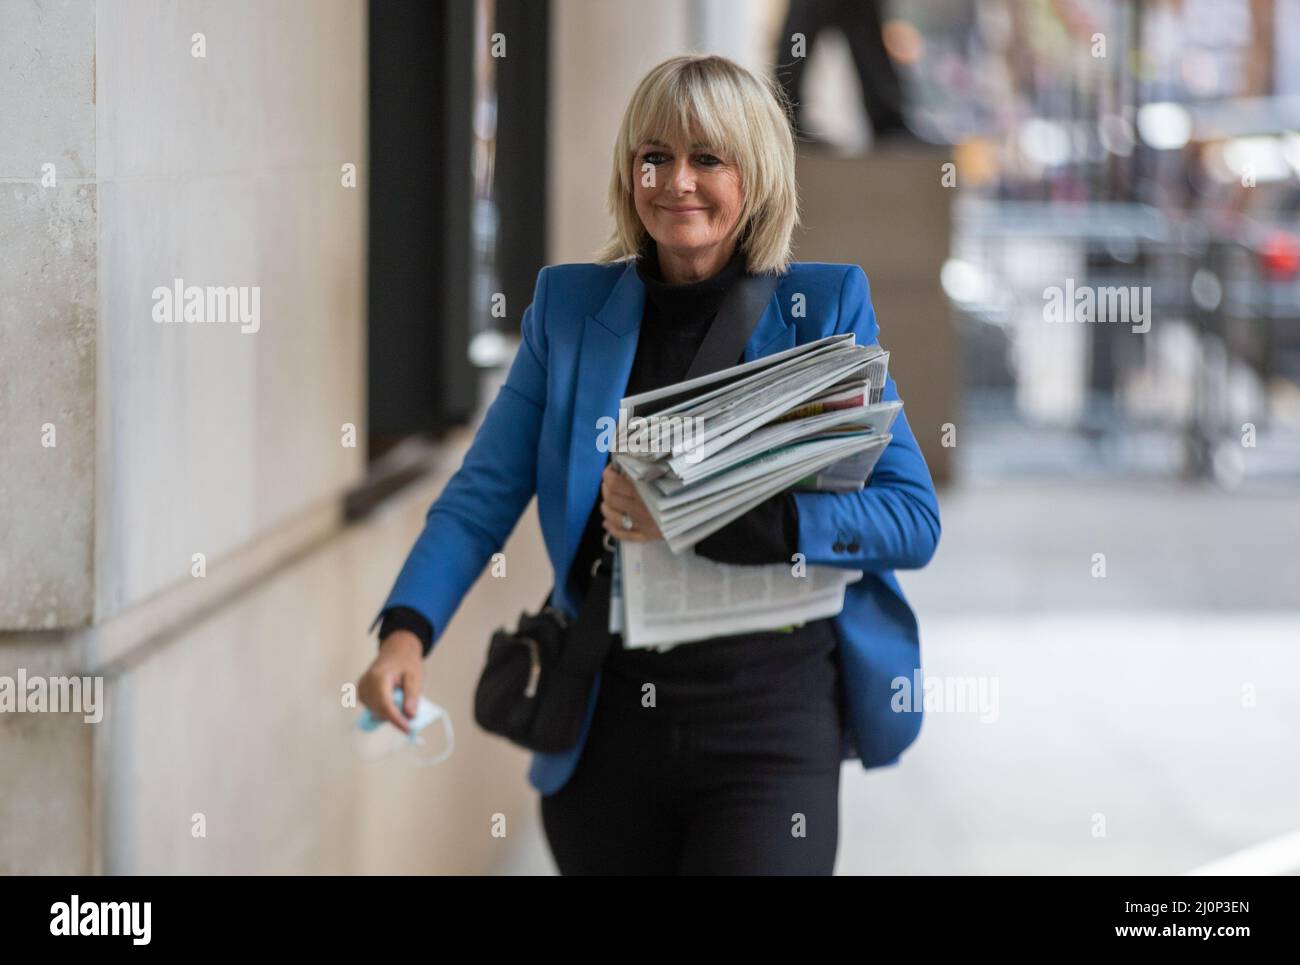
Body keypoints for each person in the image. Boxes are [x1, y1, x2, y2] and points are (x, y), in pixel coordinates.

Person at [357, 53, 940, 875]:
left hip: (771, 727)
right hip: (607, 724)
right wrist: (405, 632)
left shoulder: (824, 304)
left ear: (758, 174)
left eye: (708, 158)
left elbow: (913, 518)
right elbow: (481, 495)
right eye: (654, 157)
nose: (676, 182)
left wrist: (763, 521)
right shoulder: (567, 310)